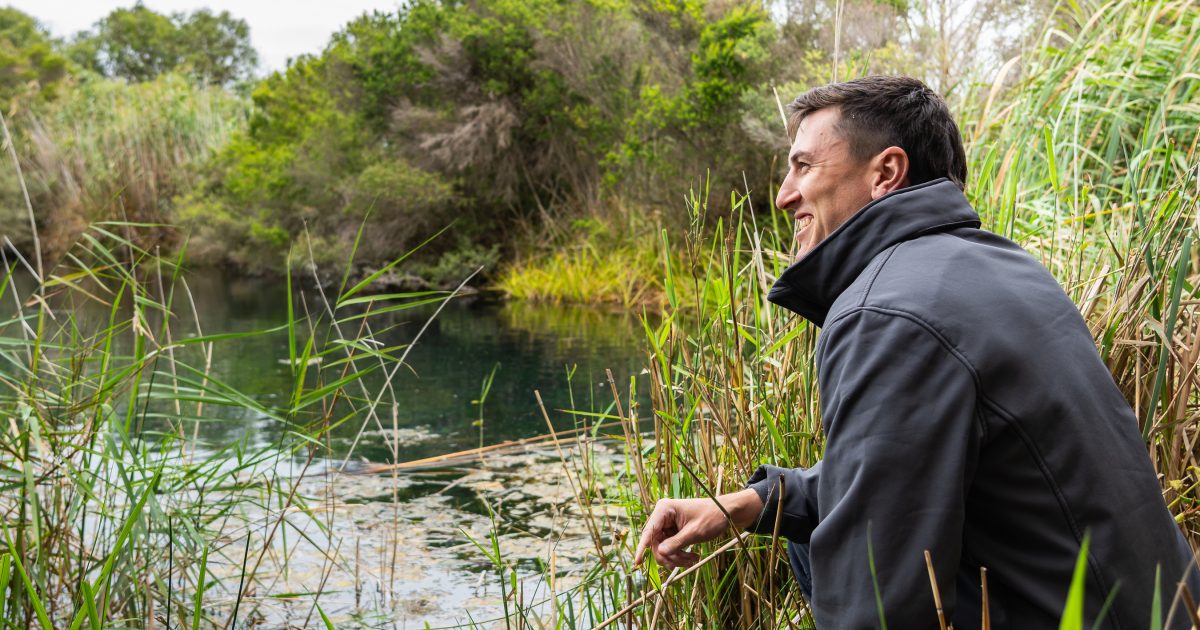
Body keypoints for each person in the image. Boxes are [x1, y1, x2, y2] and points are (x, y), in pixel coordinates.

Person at [632, 76, 1200, 629]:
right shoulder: (1004, 268)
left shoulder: (885, 312)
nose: (784, 195)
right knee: (807, 532)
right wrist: (750, 503)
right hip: (1157, 609)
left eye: (803, 166)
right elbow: (900, 473)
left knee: (832, 552)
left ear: (886, 172)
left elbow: (876, 597)